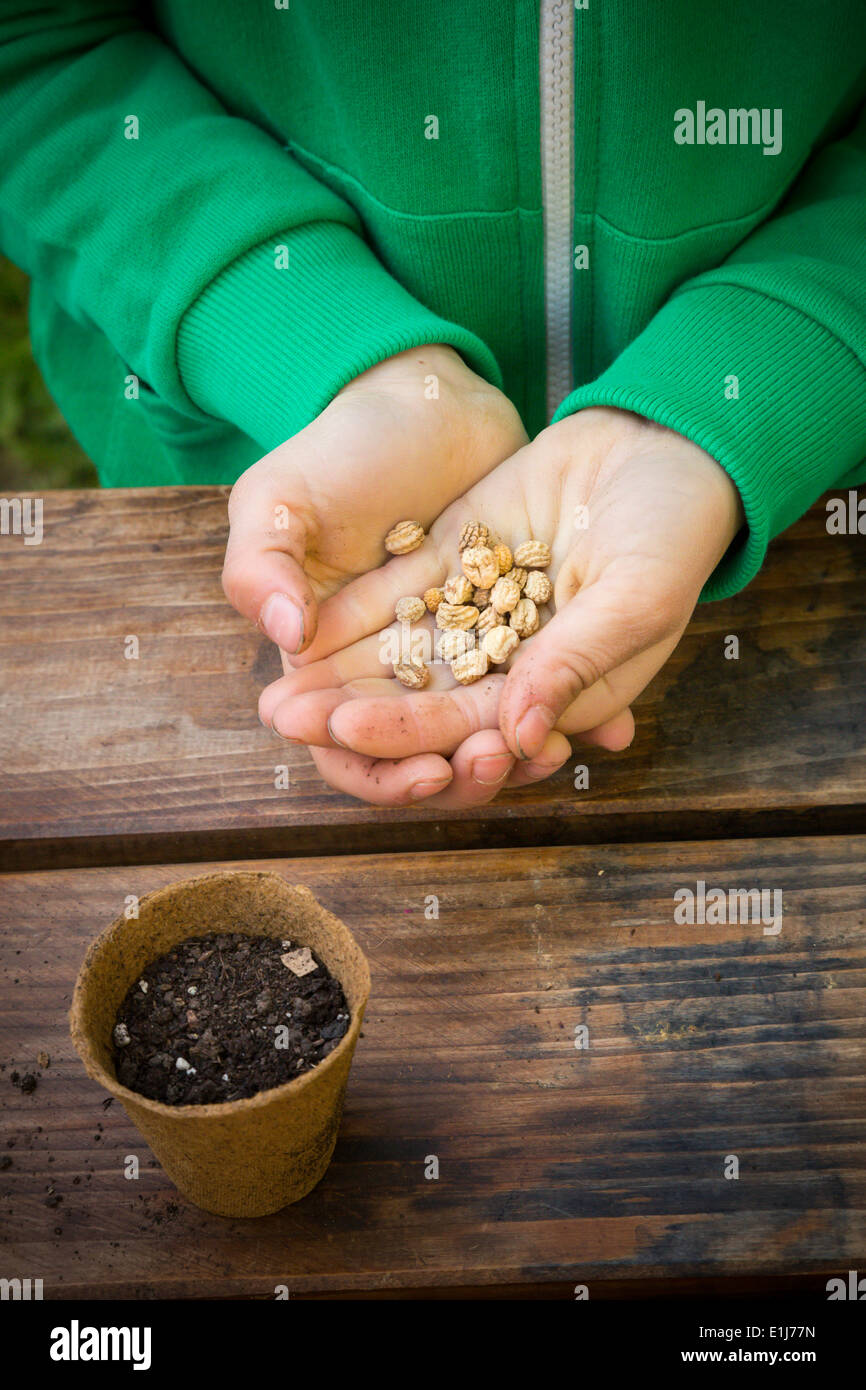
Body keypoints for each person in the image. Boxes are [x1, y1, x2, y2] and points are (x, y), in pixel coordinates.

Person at [2, 3, 864, 807]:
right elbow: (31, 48)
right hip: (229, 484)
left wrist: (735, 393)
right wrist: (304, 338)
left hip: (800, 507)